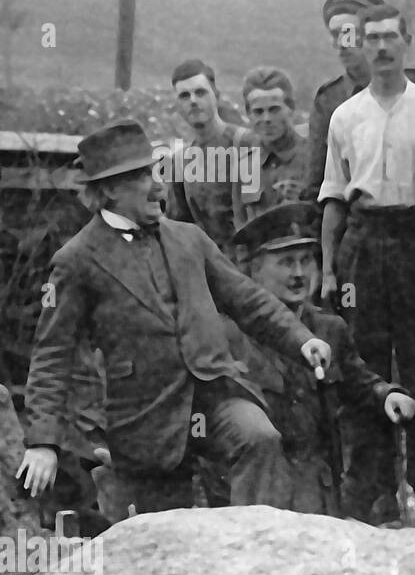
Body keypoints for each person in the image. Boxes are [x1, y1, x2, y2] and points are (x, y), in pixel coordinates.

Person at [17, 121, 333, 513]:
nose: (158, 184)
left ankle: (253, 554)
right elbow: (52, 354)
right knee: (157, 533)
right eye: (142, 176)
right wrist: (43, 442)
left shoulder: (189, 239)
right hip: (143, 417)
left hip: (213, 392)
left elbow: (247, 300)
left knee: (259, 438)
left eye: (156, 171)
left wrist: (302, 339)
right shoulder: (76, 261)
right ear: (110, 190)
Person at [318, 2, 415, 524]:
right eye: (372, 38)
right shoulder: (345, 116)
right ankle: (377, 490)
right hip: (364, 241)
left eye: (391, 37)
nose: (381, 48)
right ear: (360, 45)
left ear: (406, 42)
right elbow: (335, 196)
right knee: (366, 368)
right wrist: (327, 267)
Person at [231, 202, 415, 516]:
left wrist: (388, 395)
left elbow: (361, 384)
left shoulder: (329, 329)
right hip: (257, 489)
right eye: (286, 262)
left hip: (317, 487)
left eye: (306, 261)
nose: (299, 274)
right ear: (255, 270)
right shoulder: (230, 335)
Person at [305, 0, 415, 202]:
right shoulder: (329, 101)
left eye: (349, 33)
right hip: (356, 225)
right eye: (335, 34)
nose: (342, 43)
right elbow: (317, 185)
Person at [165, 58, 258, 257]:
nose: (193, 101)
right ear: (177, 105)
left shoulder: (246, 143)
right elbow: (178, 230)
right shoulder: (181, 162)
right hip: (209, 270)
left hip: (250, 264)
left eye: (200, 92)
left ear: (216, 95)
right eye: (184, 96)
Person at [232, 66, 314, 230]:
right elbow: (241, 229)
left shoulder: (315, 157)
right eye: (258, 112)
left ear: (290, 108)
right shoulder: (245, 167)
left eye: (274, 109)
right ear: (248, 114)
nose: (267, 118)